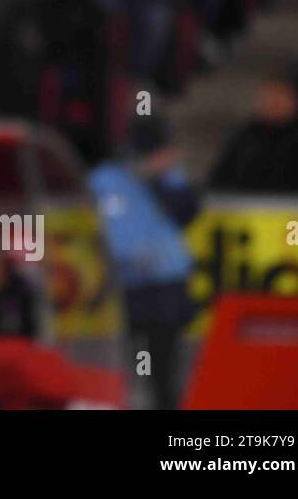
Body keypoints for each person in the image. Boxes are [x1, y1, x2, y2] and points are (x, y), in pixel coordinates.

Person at [88, 115, 198, 409]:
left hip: (165, 285)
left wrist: (161, 177)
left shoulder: (169, 178)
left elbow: (187, 213)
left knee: (163, 369)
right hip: (125, 285)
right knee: (119, 366)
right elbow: (100, 227)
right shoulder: (105, 179)